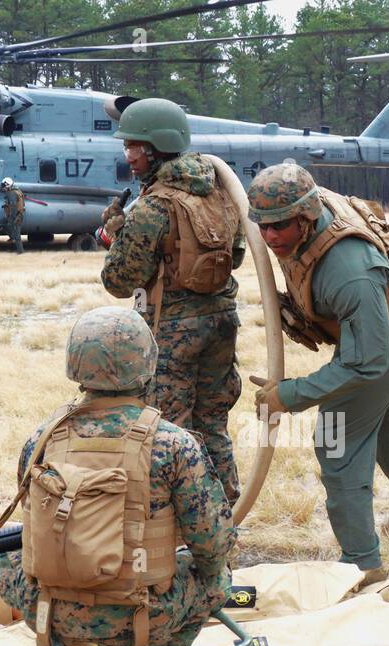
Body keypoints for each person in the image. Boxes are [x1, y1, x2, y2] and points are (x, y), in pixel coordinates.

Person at [0, 306, 235, 646]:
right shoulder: (174, 444)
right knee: (217, 580)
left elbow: (34, 527)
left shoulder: (42, 438)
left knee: (0, 562)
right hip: (146, 615)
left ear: (75, 364)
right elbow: (213, 546)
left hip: (54, 609)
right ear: (147, 363)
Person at [245, 164, 389, 583]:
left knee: (337, 435)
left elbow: (366, 362)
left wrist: (291, 394)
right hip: (384, 315)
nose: (269, 237)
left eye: (280, 226)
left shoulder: (349, 270)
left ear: (305, 217)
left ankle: (362, 563)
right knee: (386, 414)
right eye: (262, 225)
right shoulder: (299, 203)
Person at [100, 97, 245, 504]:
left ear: (154, 147)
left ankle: (182, 527)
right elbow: (234, 257)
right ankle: (224, 513)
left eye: (133, 146)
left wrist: (114, 238)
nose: (127, 154)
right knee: (212, 423)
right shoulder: (219, 191)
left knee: (170, 432)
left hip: (171, 332)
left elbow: (118, 281)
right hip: (222, 324)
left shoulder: (153, 206)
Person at [1, 177, 25, 254]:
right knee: (2, 224)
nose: (3, 188)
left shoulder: (11, 193)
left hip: (16, 216)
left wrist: (13, 218)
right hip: (18, 215)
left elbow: (13, 206)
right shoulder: (17, 191)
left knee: (17, 235)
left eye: (4, 186)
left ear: (8, 185)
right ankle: (12, 236)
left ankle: (20, 251)